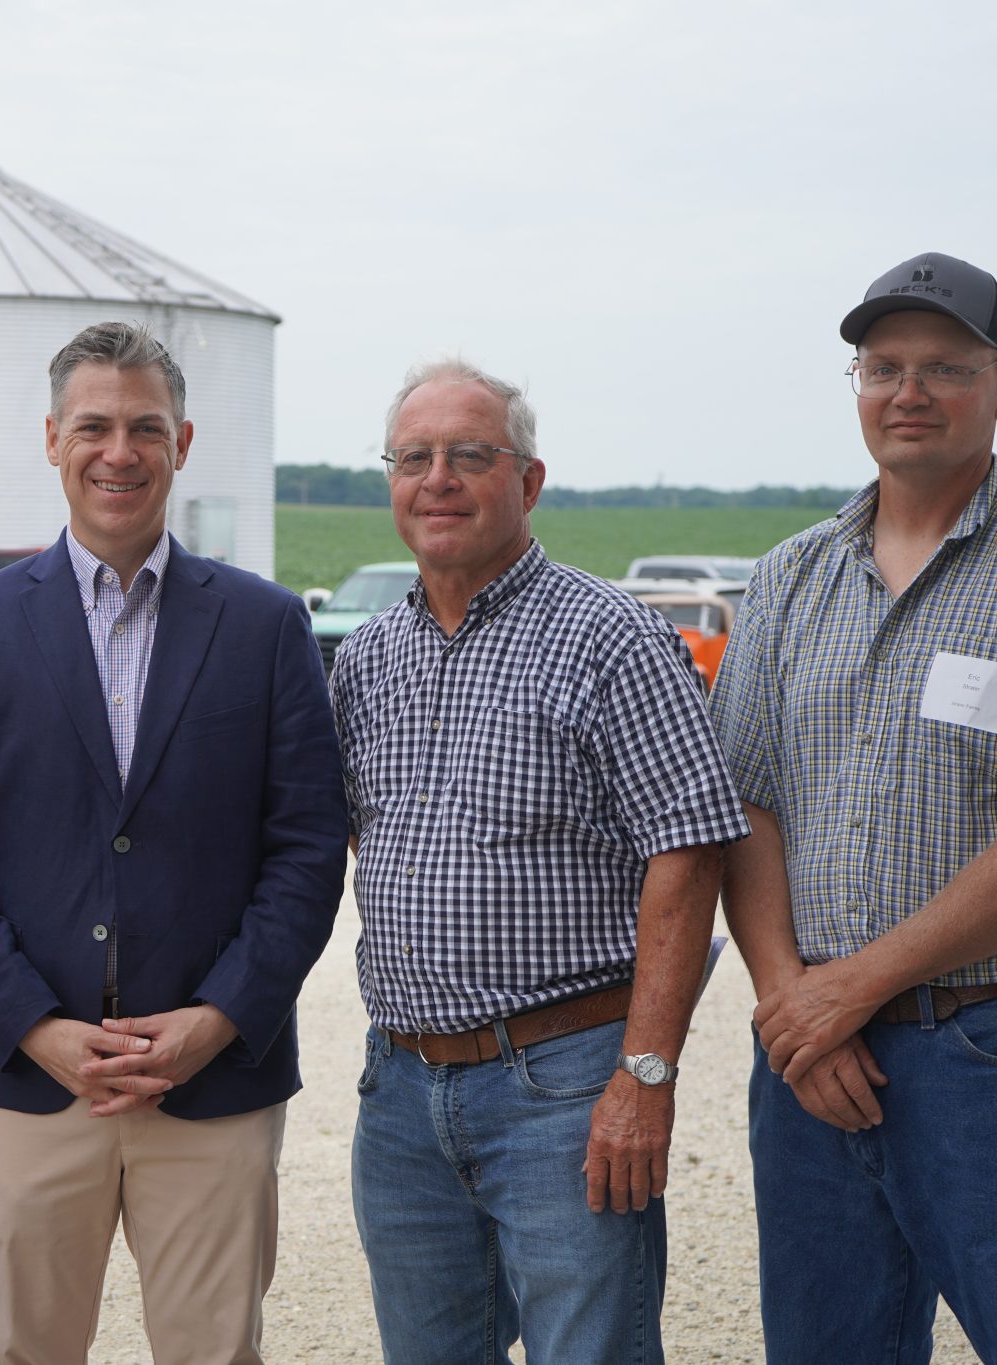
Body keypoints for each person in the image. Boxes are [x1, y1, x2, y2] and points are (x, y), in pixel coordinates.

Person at [711, 252, 997, 1364]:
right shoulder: (784, 578)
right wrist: (791, 1005)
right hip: (810, 1060)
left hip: (992, 1054)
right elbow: (747, 808)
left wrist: (847, 993)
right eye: (880, 367)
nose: (905, 391)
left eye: (942, 368)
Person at [0, 321, 346, 1364]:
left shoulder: (264, 625)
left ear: (181, 442)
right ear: (51, 439)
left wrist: (219, 1018)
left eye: (145, 427)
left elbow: (305, 849)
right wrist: (31, 1026)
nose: (119, 451)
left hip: (213, 1081)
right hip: (28, 1079)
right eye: (93, 426)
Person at [329, 359, 750, 1364]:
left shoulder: (608, 637)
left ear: (527, 480)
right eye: (413, 457)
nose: (437, 478)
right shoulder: (365, 658)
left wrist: (643, 1074)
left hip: (563, 1087)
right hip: (399, 1090)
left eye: (469, 455)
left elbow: (688, 855)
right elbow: (362, 841)